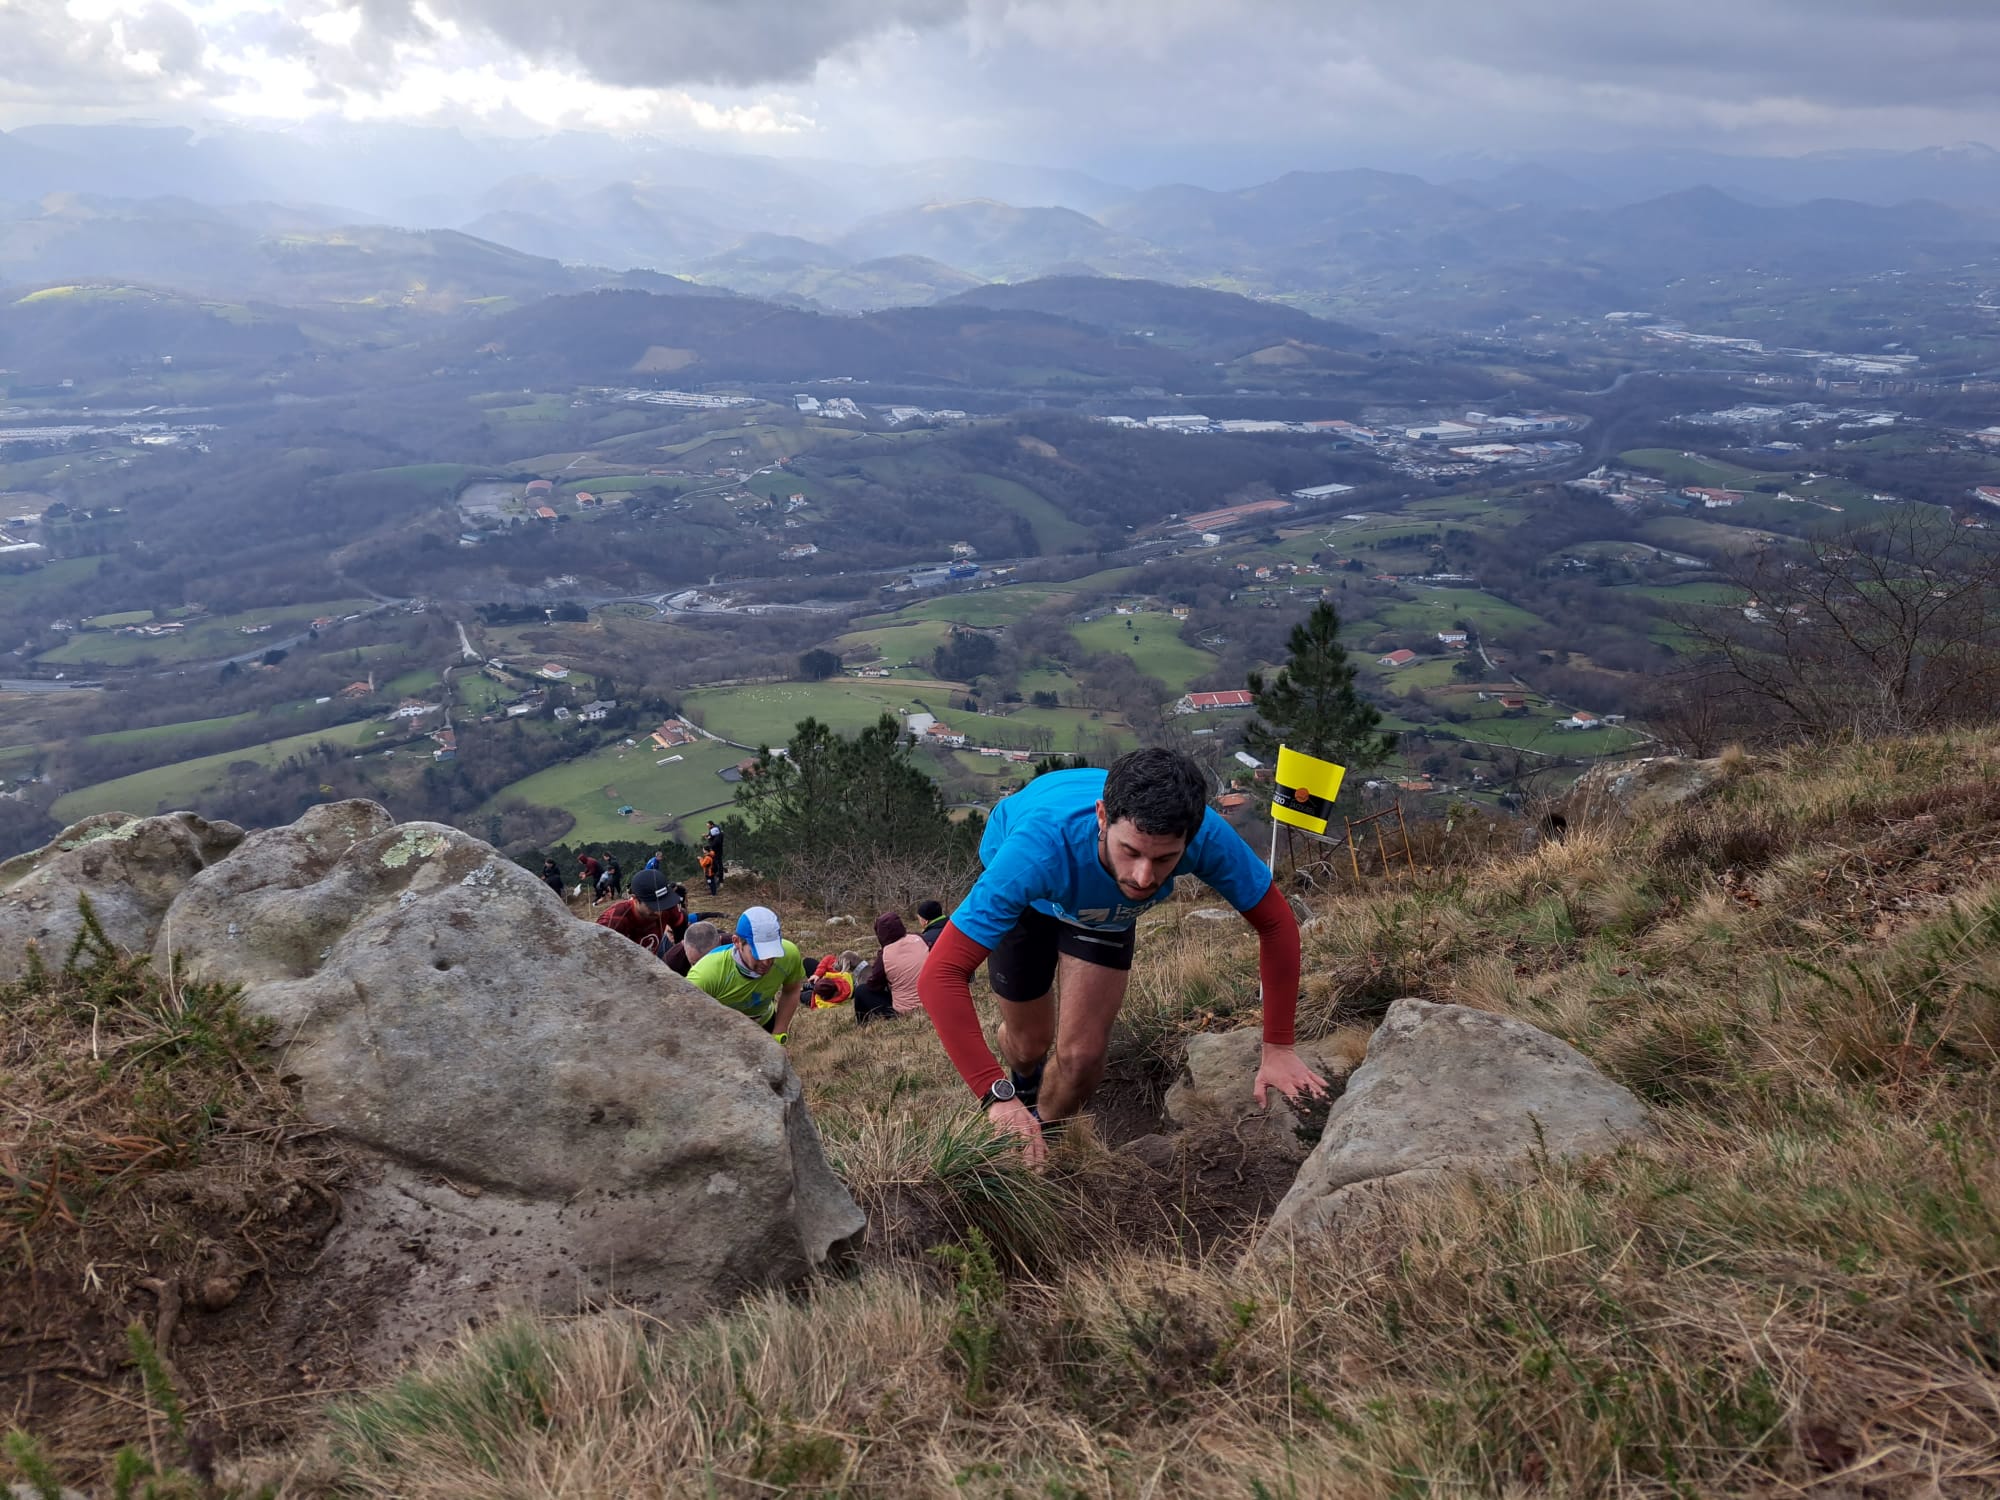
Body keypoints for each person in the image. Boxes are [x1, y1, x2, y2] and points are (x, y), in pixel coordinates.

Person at [919, 747, 1325, 1166]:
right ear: (1102, 817)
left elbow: (1276, 924)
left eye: (1165, 858)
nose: (1143, 877)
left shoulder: (1207, 837)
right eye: (1130, 851)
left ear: (1191, 835)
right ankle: (1022, 1081)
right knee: (1028, 1044)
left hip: (1102, 913)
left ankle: (1044, 1143)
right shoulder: (1034, 848)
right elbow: (940, 974)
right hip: (1033, 897)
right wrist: (994, 1094)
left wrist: (1278, 1048)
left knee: (1081, 1060)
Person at [685, 906, 805, 1040]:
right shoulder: (705, 974)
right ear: (736, 942)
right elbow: (686, 1018)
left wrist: (779, 1033)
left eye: (772, 953)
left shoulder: (788, 955)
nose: (766, 962)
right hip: (723, 1034)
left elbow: (791, 990)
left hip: (764, 1022)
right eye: (758, 954)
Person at [594, 870, 688, 956]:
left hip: (654, 956)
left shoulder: (667, 906)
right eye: (652, 906)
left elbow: (680, 923)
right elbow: (597, 955)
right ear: (635, 899)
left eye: (662, 904)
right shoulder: (614, 921)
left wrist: (679, 950)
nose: (659, 912)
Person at [873, 911, 931, 1018]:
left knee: (861, 991)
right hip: (932, 1001)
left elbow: (874, 984)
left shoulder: (884, 954)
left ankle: (865, 1023)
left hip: (904, 1010)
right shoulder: (919, 938)